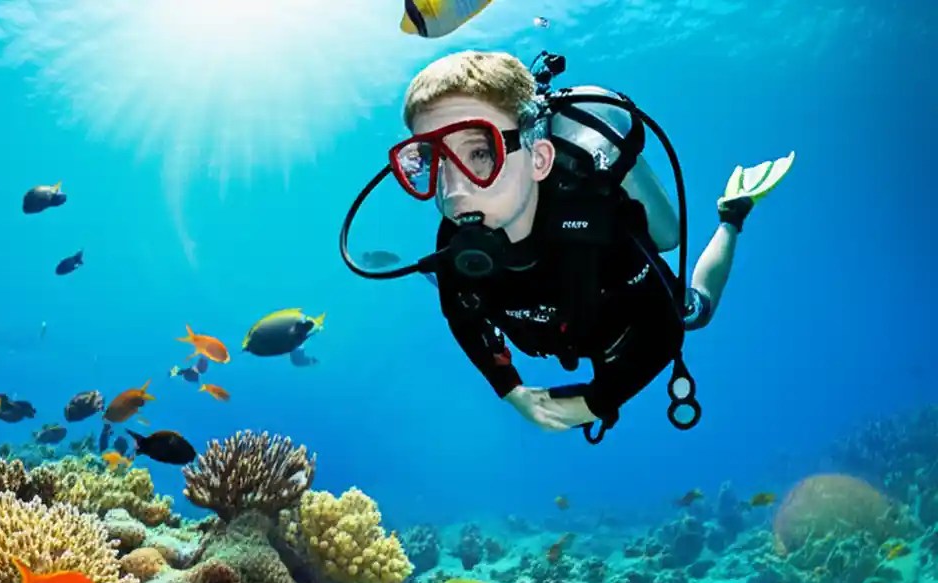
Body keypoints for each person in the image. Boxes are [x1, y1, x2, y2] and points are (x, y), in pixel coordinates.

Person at [340, 50, 794, 442]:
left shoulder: (591, 223)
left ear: (539, 159)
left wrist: (597, 402)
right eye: (434, 159)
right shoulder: (453, 239)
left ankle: (732, 214)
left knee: (695, 312)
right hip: (560, 330)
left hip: (621, 325)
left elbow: (663, 331)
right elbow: (461, 317)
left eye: (479, 153)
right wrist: (512, 391)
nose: (454, 189)